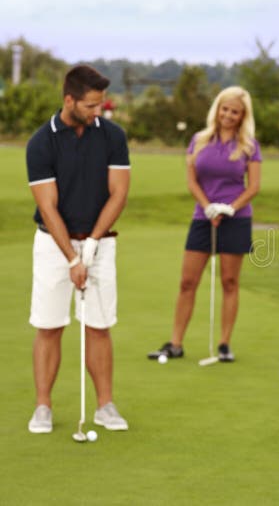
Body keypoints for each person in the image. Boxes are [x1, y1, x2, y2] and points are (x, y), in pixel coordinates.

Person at [26, 64, 131, 433]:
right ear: (68, 100)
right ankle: (43, 407)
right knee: (49, 325)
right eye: (89, 105)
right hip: (53, 244)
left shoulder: (112, 136)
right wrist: (72, 256)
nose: (97, 111)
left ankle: (105, 406)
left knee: (99, 325)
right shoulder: (41, 142)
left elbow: (119, 193)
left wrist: (91, 245)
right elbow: (47, 206)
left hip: (100, 241)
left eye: (101, 104)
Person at [147, 86, 261, 363]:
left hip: (236, 219)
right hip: (203, 217)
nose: (229, 115)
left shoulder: (248, 145)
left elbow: (254, 186)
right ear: (217, 109)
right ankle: (175, 343)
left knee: (230, 281)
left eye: (235, 111)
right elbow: (191, 180)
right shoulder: (199, 140)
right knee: (188, 282)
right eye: (225, 109)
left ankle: (224, 345)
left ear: (243, 115)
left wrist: (230, 208)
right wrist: (208, 206)